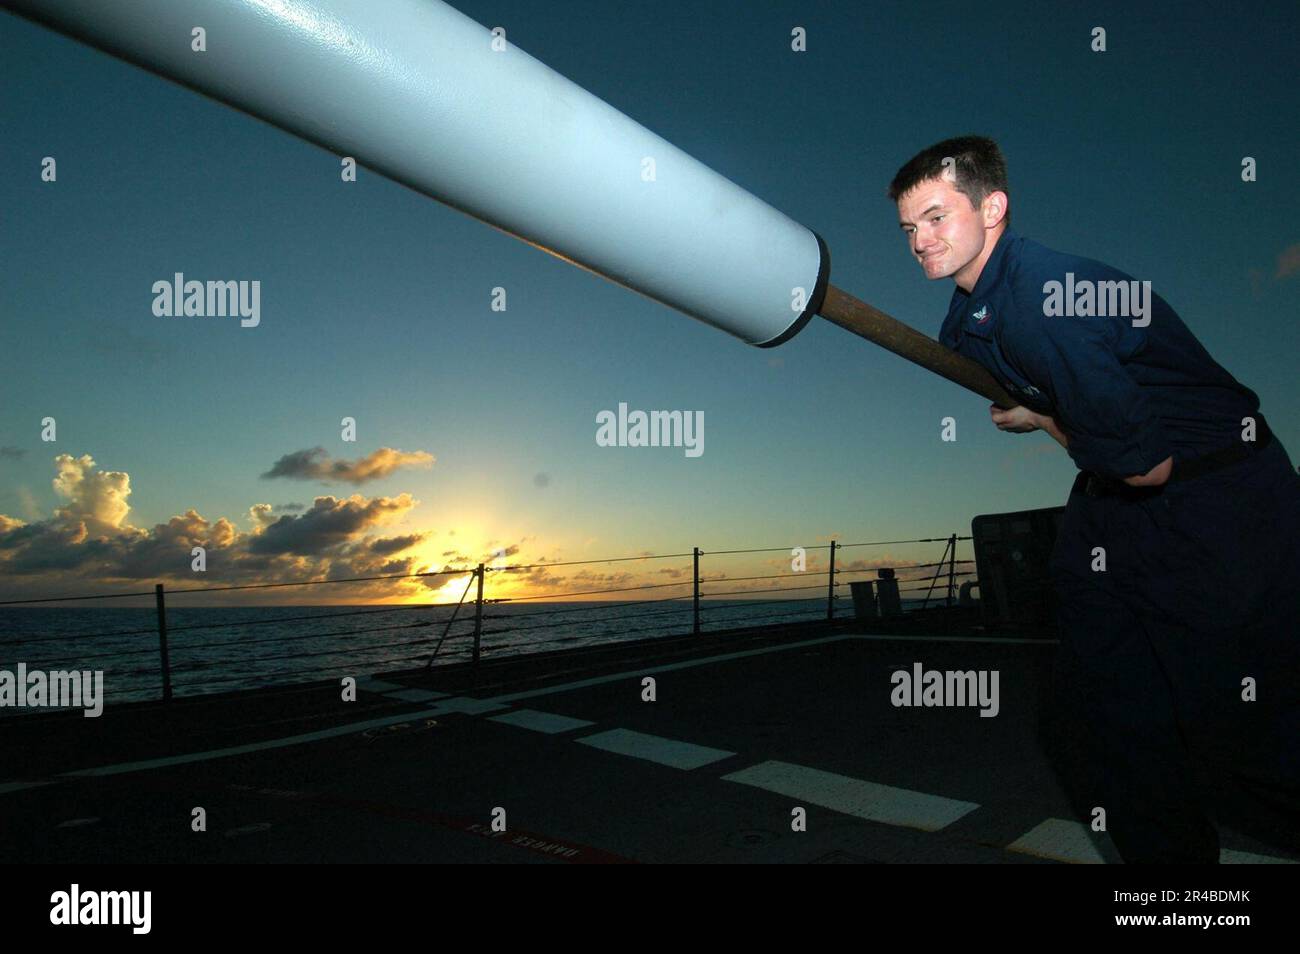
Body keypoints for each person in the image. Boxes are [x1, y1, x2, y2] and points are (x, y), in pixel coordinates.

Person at [888, 135, 1300, 863]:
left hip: (1220, 495)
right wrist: (1041, 410)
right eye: (909, 228)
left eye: (937, 217)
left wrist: (1042, 417)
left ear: (994, 208)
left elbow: (1149, 466)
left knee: (1239, 728)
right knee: (1099, 717)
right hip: (1117, 499)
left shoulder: (1047, 302)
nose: (921, 240)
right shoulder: (970, 312)